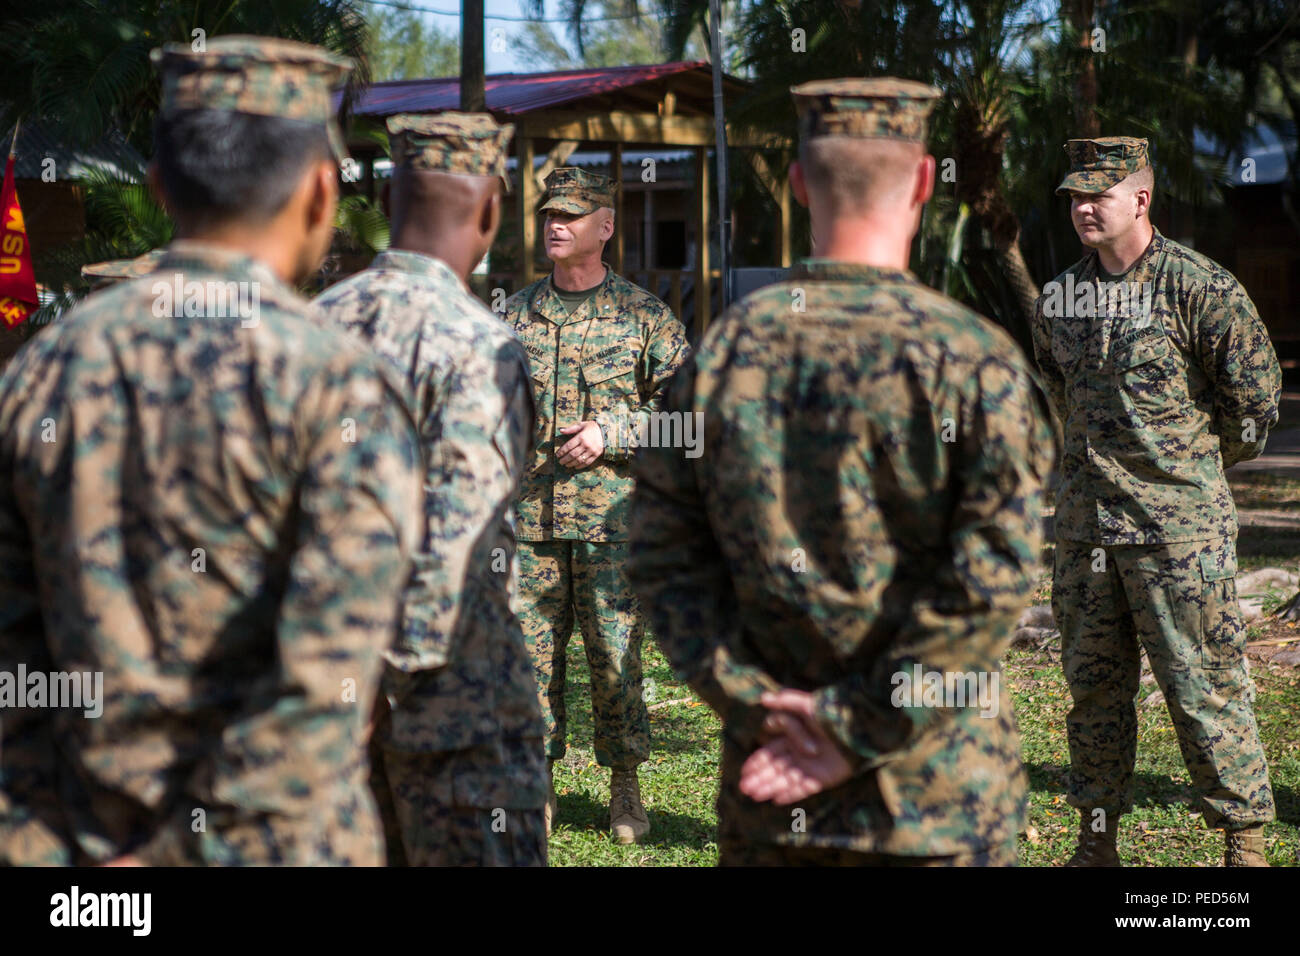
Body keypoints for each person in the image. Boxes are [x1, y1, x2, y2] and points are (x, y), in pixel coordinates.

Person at [0, 35, 422, 866]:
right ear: (320, 191)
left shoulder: (41, 369)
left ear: (160, 188)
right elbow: (330, 681)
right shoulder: (339, 382)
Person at [627, 77, 1054, 866]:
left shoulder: (720, 356)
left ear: (797, 182)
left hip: (774, 799)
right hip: (939, 806)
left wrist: (757, 704)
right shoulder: (974, 359)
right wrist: (861, 725)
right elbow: (994, 577)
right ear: (926, 179)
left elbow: (659, 557)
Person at [1031, 136, 1281, 867]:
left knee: (1205, 688)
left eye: (1096, 195)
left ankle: (1245, 846)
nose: (1081, 208)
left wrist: (1187, 473)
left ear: (1139, 199)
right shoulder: (1059, 299)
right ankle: (1096, 842)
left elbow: (1255, 406)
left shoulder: (1200, 289)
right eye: (1074, 197)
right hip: (1087, 534)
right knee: (1094, 696)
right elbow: (1059, 393)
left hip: (1179, 539)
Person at [315, 112, 546, 866]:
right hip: (455, 721)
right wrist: (395, 691)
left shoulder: (307, 327)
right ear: (491, 209)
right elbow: (460, 544)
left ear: (387, 205)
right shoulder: (477, 345)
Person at [503, 167, 690, 843]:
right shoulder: (513, 314)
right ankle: (537, 785)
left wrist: (616, 434)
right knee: (529, 663)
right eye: (551, 213)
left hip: (612, 526)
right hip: (527, 525)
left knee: (615, 661)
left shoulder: (646, 318)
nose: (557, 224)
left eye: (573, 216)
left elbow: (690, 422)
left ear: (605, 227)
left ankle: (625, 784)